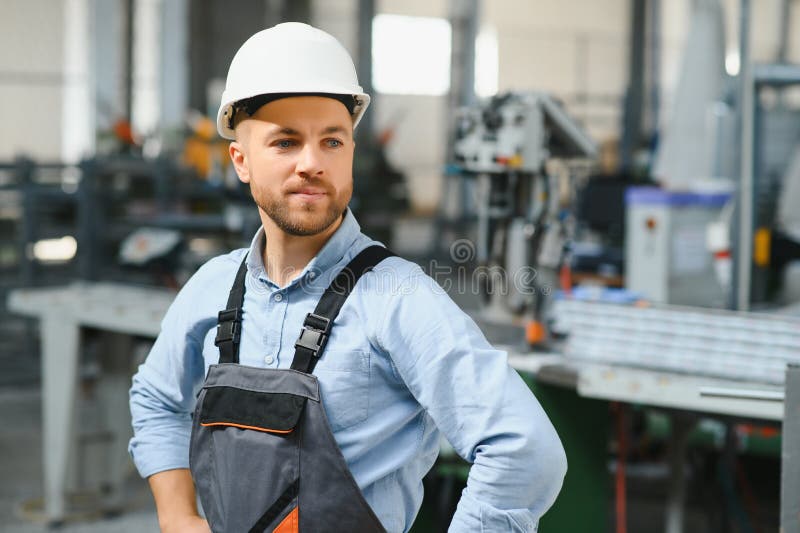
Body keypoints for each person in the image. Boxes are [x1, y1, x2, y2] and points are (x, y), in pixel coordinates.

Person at [129, 22, 566, 533]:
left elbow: (525, 451)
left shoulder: (397, 299)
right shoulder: (211, 287)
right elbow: (156, 399)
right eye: (286, 142)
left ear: (352, 153)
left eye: (332, 141)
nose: (313, 163)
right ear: (241, 160)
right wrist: (178, 516)